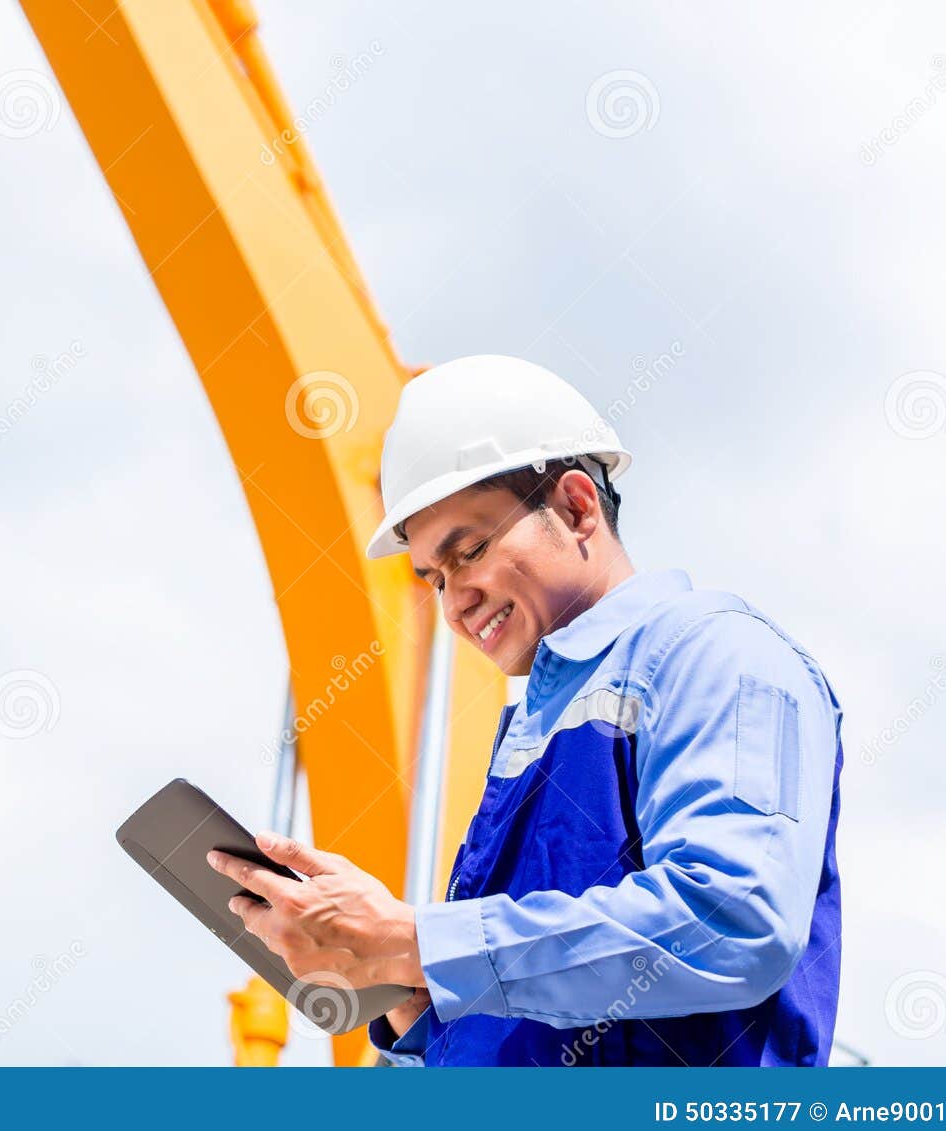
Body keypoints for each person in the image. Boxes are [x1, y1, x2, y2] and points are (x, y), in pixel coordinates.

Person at [207, 355, 843, 1066]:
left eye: (470, 550)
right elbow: (524, 1008)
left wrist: (415, 941)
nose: (454, 602)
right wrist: (411, 994)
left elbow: (734, 920)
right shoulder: (532, 739)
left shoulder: (716, 654)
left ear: (577, 507)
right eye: (435, 578)